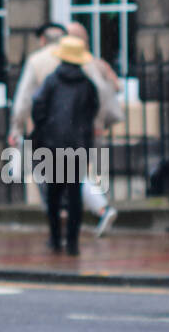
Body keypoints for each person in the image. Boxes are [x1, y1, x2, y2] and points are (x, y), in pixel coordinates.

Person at [30, 36, 100, 255]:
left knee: (53, 193)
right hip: (78, 146)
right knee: (75, 194)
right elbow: (92, 111)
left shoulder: (52, 81)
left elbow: (38, 107)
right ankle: (72, 242)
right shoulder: (88, 85)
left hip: (52, 145)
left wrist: (45, 129)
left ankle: (55, 238)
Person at [67, 22, 122, 237]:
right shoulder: (98, 63)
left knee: (73, 174)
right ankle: (100, 209)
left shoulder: (82, 65)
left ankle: (102, 209)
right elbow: (116, 86)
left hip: (82, 129)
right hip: (95, 128)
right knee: (88, 173)